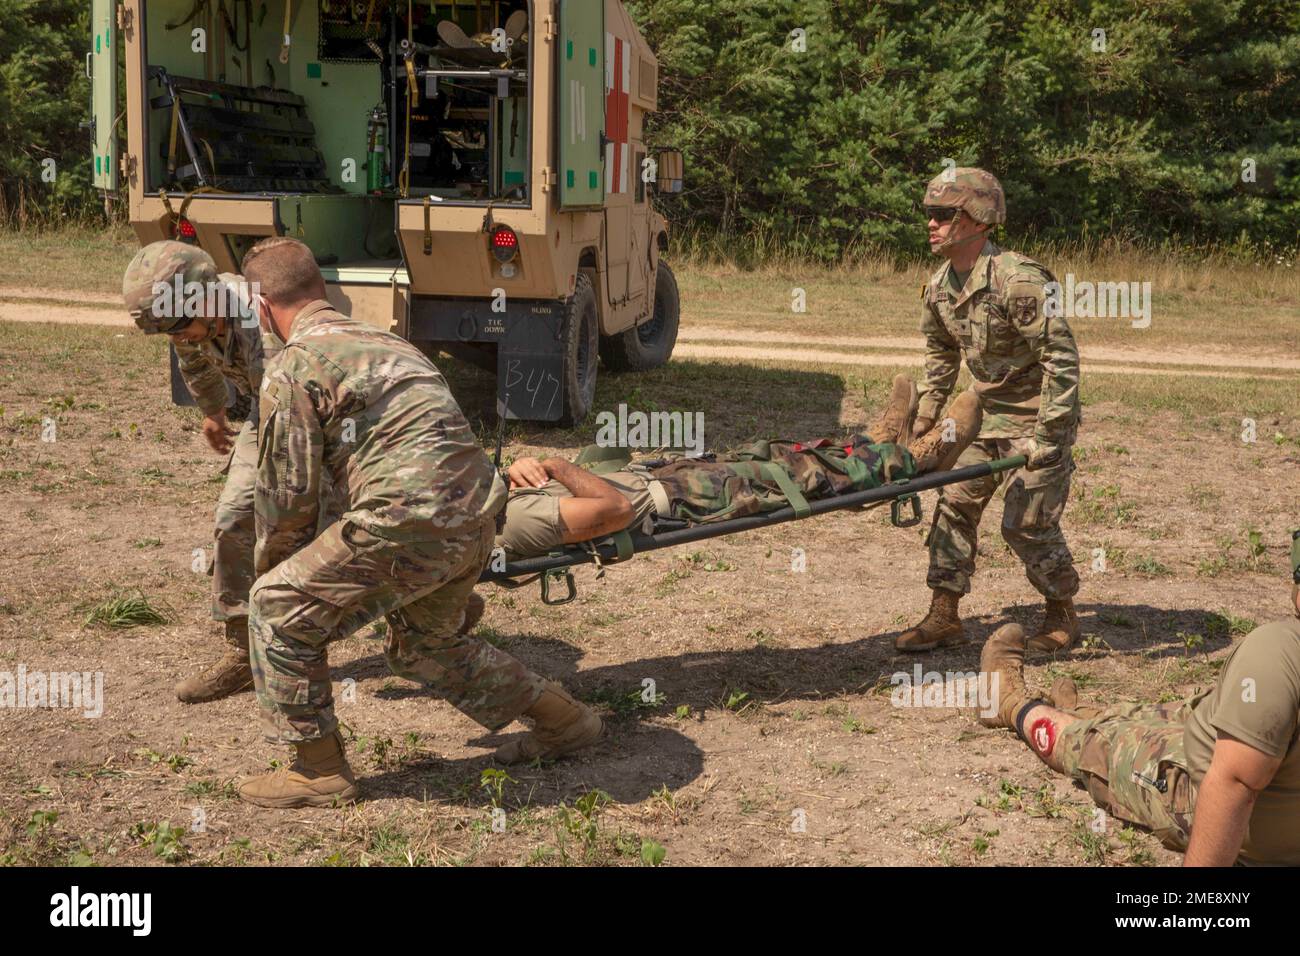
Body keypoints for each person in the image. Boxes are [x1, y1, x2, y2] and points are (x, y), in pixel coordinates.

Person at [235, 237, 600, 809]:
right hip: (479, 515)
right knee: (424, 647)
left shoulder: (293, 366)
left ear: (260, 308)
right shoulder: (388, 342)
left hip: (409, 522)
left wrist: (274, 581)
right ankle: (566, 720)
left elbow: (288, 499)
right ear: (324, 291)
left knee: (276, 610)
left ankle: (319, 770)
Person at [979, 532, 1300, 865]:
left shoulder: (1277, 653)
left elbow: (1233, 786)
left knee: (1099, 745)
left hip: (1191, 791)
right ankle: (1085, 712)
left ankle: (1010, 705)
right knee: (1197, 709)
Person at [494, 376, 982, 563]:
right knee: (799, 476)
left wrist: (523, 465)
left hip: (667, 476)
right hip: (680, 499)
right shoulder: (519, 522)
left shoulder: (498, 500)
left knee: (773, 452)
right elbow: (615, 508)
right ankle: (918, 457)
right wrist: (556, 463)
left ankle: (870, 443)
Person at [899, 167, 1082, 654]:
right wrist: (923, 427)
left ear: (977, 218)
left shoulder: (1018, 281)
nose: (931, 224)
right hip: (985, 416)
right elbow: (939, 362)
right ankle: (944, 615)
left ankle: (1062, 612)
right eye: (929, 215)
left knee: (1025, 523)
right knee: (954, 501)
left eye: (943, 215)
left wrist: (1049, 437)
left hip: (1039, 414)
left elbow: (1061, 360)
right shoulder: (938, 286)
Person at [121, 240, 268, 702]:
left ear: (205, 297)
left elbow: (297, 418)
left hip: (325, 426)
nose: (180, 338)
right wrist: (214, 411)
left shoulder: (263, 326)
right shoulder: (194, 320)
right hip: (273, 413)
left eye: (181, 326)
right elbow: (194, 360)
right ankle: (243, 654)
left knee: (338, 530)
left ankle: (430, 604)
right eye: (168, 331)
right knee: (234, 519)